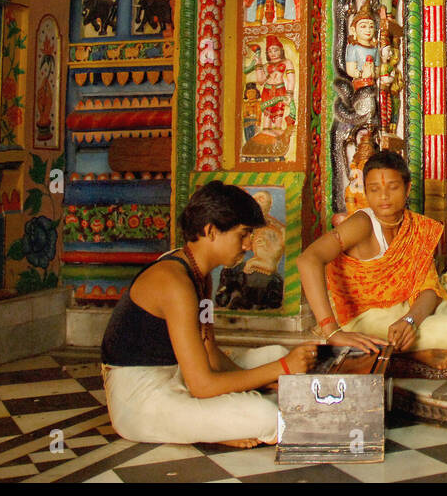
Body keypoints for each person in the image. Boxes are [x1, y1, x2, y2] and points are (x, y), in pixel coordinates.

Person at [101, 181, 315, 447]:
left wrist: (268, 376)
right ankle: (217, 426)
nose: (249, 245)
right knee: (268, 415)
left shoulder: (199, 274)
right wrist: (280, 371)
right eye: (243, 234)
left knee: (277, 354)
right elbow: (202, 385)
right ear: (211, 231)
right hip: (144, 400)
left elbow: (210, 353)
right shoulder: (174, 283)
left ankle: (217, 423)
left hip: (180, 377)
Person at [298, 150, 447, 354]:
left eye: (392, 187)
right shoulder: (362, 223)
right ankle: (434, 347)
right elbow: (308, 260)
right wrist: (331, 331)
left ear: (407, 189)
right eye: (374, 189)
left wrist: (410, 320)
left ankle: (420, 342)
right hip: (365, 314)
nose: (383, 196)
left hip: (405, 306)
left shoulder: (415, 227)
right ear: (365, 191)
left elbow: (428, 289)